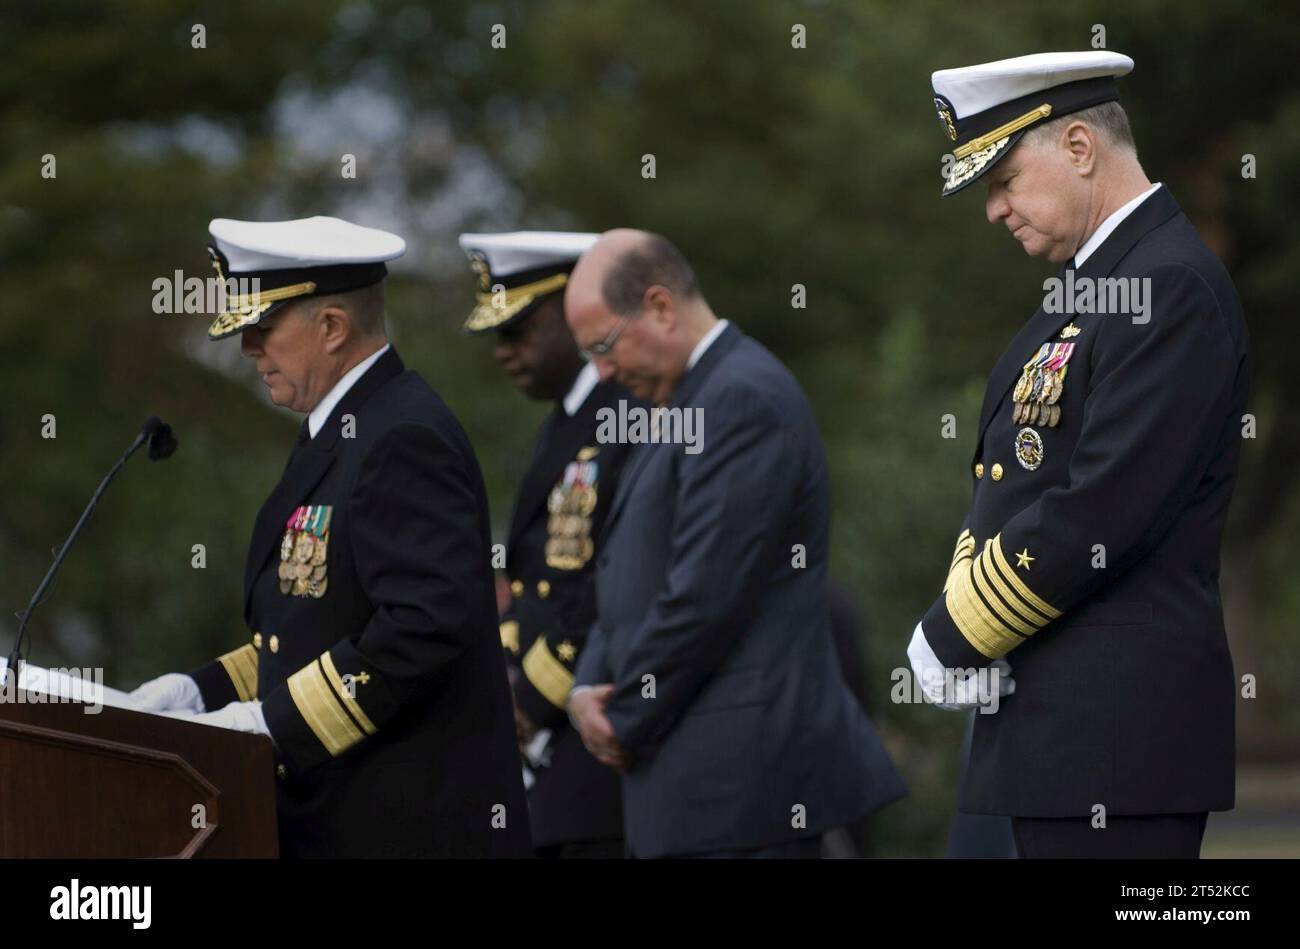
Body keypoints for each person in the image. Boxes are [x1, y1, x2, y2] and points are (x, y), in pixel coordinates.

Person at [908, 51, 1249, 858]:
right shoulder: (1097, 286)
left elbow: (1100, 506)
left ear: (1078, 148)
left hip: (1118, 741)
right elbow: (1012, 472)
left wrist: (955, 628)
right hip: (1067, 737)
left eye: (1003, 181)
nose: (994, 210)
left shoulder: (1168, 286)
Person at [131, 215, 531, 857]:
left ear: (332, 327)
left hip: (405, 830)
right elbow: (314, 627)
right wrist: (201, 691)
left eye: (262, 328)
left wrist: (269, 725)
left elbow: (421, 628)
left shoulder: (401, 436)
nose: (247, 348)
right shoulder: (345, 428)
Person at [566, 229, 906, 858]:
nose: (602, 372)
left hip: (740, 793)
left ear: (661, 307)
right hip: (693, 788)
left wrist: (620, 716)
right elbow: (622, 574)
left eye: (605, 347)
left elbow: (705, 594)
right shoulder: (685, 398)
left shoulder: (741, 398)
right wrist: (585, 688)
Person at [459, 231, 632, 858]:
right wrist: (503, 672)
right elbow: (534, 577)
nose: (504, 353)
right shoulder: (564, 422)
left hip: (599, 731)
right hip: (551, 742)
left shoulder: (627, 412)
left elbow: (611, 581)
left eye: (519, 329)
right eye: (496, 337)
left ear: (576, 307)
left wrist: (529, 698)